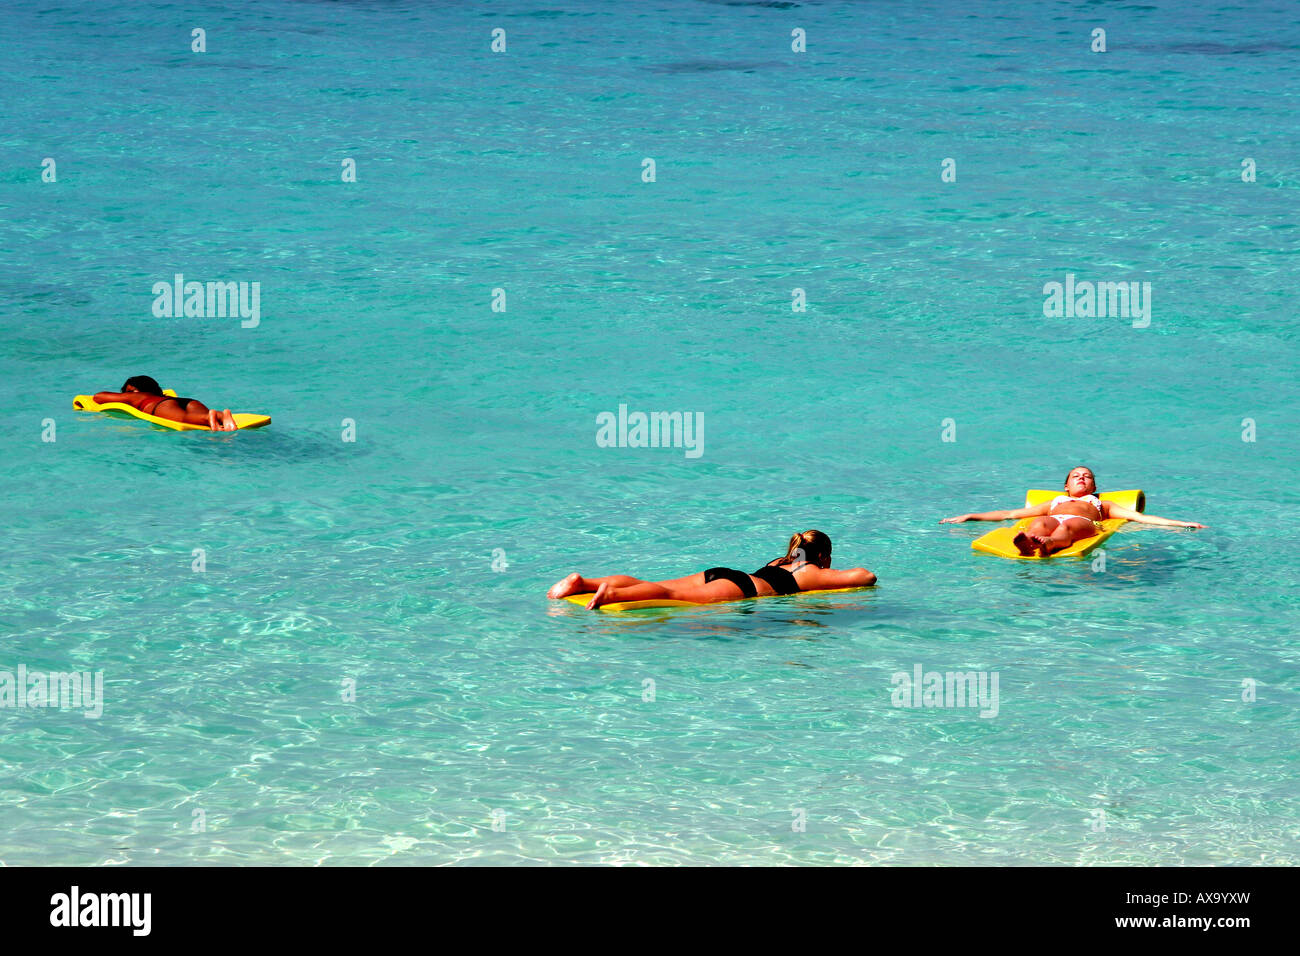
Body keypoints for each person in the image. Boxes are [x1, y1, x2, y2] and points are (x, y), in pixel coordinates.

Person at [547, 530, 877, 610]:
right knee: (671, 596)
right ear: (821, 554)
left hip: (724, 572)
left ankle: (584, 581)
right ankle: (612, 594)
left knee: (657, 583)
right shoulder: (811, 572)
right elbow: (866, 576)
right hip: (744, 588)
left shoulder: (780, 561)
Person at [940, 466, 1206, 557]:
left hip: (1083, 522)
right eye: (1076, 476)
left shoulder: (1101, 504)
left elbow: (1142, 518)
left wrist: (1182, 523)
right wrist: (971, 516)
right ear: (1066, 486)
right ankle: (1033, 543)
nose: (1081, 478)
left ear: (1094, 486)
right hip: (1053, 517)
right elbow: (1009, 514)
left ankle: (1050, 544)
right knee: (1040, 522)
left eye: (1087, 477)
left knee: (1065, 528)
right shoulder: (1054, 502)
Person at [92, 376, 238, 431]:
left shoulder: (134, 397)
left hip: (159, 405)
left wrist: (124, 395)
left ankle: (209, 418)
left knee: (182, 418)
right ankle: (219, 415)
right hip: (186, 401)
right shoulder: (159, 394)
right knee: (197, 415)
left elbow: (98, 397)